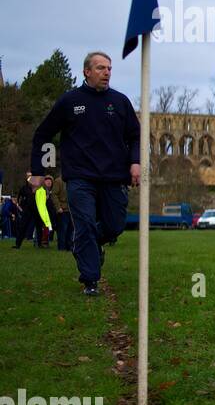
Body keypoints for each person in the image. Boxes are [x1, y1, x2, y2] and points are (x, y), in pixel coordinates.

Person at [28, 52, 140, 295]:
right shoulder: (70, 101)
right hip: (80, 177)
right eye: (101, 68)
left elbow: (135, 136)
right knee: (86, 224)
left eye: (109, 68)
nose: (107, 72)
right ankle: (90, 280)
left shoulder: (120, 102)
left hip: (113, 177)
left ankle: (85, 245)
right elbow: (42, 135)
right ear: (87, 72)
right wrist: (38, 171)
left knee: (114, 227)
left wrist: (135, 162)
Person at [13, 175, 38, 249]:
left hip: (36, 209)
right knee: (22, 227)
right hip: (27, 210)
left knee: (38, 226)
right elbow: (19, 197)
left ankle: (39, 243)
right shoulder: (24, 188)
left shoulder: (38, 187)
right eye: (28, 177)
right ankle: (18, 244)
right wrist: (20, 207)